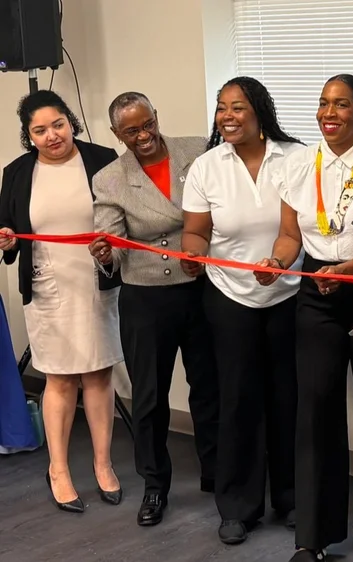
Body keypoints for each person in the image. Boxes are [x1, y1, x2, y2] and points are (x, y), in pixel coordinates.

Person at [254, 74, 353, 562]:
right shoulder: (298, 166)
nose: (330, 113)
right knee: (315, 410)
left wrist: (343, 272)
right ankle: (313, 536)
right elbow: (289, 236)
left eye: (342, 105)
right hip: (316, 295)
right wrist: (277, 264)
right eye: (324, 103)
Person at [181, 77, 304, 545]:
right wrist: (193, 254)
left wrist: (277, 262)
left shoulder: (295, 158)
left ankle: (292, 497)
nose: (227, 116)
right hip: (228, 296)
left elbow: (294, 231)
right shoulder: (207, 167)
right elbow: (196, 231)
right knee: (237, 400)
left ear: (260, 113)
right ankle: (237, 505)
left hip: (288, 294)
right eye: (220, 108)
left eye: (237, 107)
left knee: (288, 398)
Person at [88, 91, 220, 527]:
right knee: (149, 397)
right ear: (116, 134)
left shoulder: (198, 149)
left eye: (148, 124)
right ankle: (155, 485)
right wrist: (105, 254)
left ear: (156, 117)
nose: (143, 135)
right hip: (146, 297)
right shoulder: (109, 179)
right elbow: (110, 236)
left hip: (201, 289)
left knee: (209, 387)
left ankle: (218, 475)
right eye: (131, 131)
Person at [0, 90, 124, 513]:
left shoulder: (103, 158)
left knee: (98, 373)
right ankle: (59, 469)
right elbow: (9, 229)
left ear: (71, 121)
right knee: (60, 378)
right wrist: (7, 239)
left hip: (95, 280)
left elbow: (122, 215)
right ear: (29, 135)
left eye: (58, 124)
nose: (51, 135)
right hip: (47, 284)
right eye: (40, 130)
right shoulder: (16, 172)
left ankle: (104, 465)